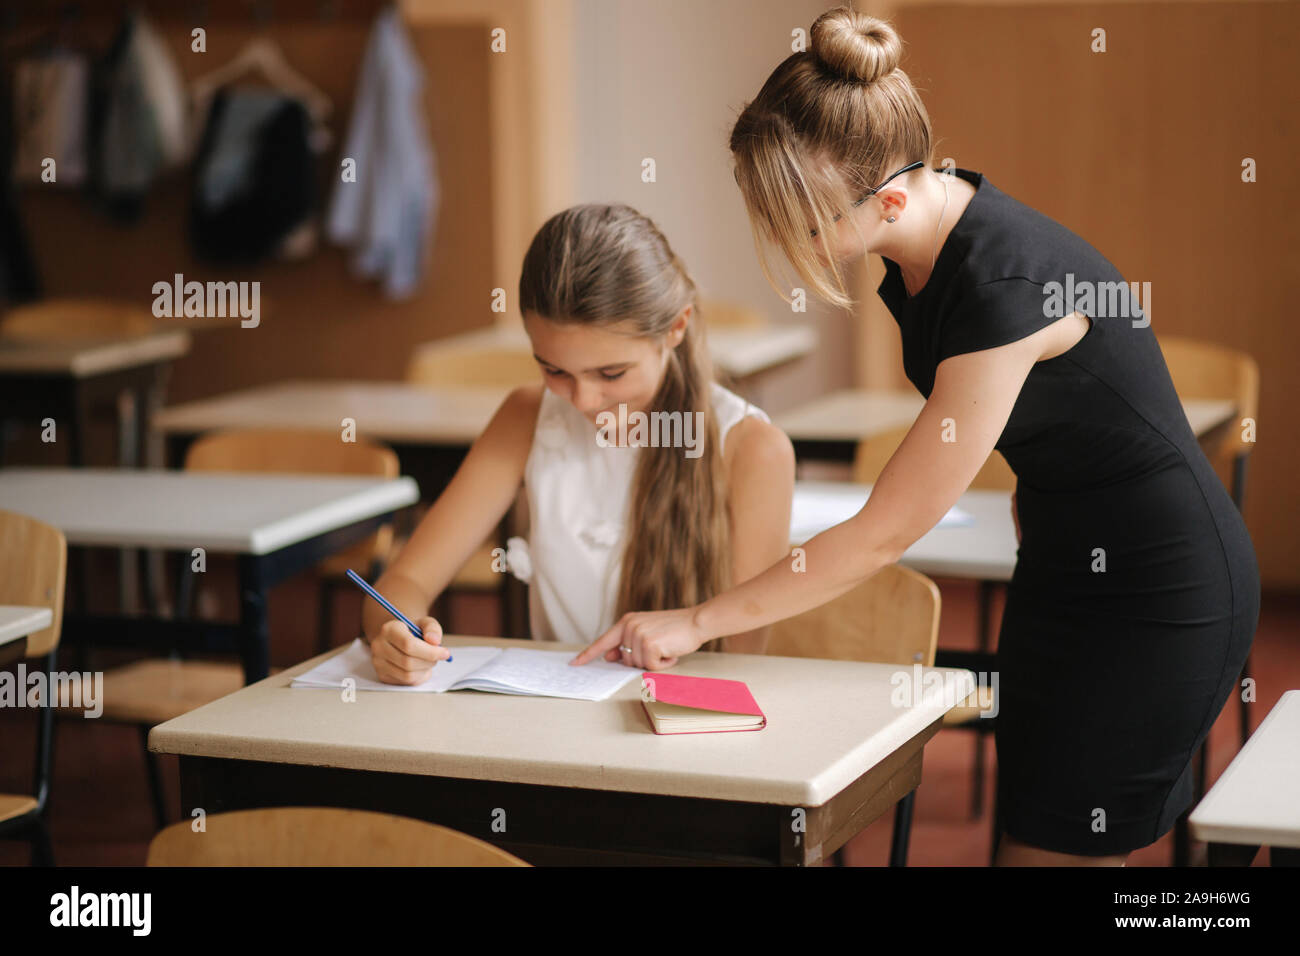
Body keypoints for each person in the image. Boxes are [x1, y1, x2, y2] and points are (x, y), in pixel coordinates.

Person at [575, 7, 1259, 867]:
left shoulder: (1002, 286)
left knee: (1063, 853)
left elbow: (885, 535)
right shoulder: (924, 236)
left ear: (890, 198)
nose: (788, 242)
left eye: (805, 222)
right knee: (1038, 839)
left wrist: (697, 619)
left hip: (1165, 587)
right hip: (1063, 564)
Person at [363, 202, 794, 678]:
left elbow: (746, 658)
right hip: (553, 717)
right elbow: (404, 581)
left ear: (675, 328)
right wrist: (395, 634)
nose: (584, 401)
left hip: (685, 727)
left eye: (611, 372)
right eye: (555, 370)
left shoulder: (752, 448)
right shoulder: (524, 417)